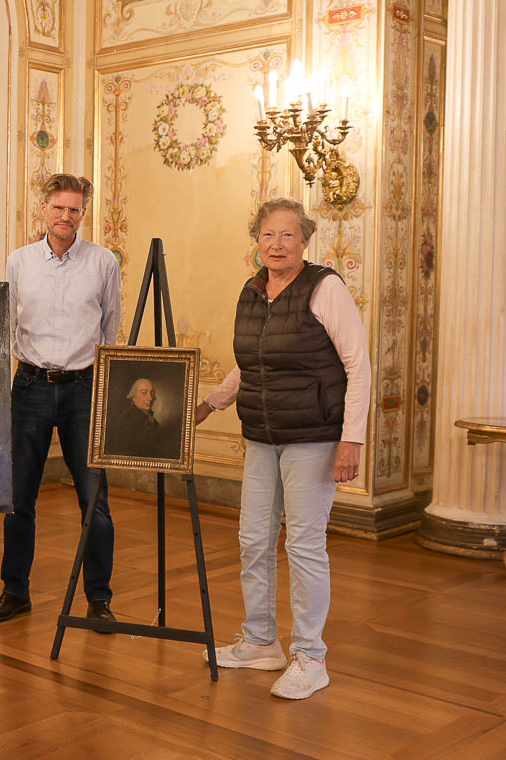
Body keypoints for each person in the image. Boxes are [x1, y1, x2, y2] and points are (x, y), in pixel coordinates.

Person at [195, 197, 371, 700]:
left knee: (304, 545)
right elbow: (250, 362)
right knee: (253, 540)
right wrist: (210, 403)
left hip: (313, 437)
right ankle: (260, 642)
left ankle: (311, 657)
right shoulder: (252, 291)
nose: (277, 244)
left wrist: (351, 439)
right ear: (257, 240)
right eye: (268, 234)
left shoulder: (325, 287)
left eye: (288, 235)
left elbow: (358, 365)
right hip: (262, 436)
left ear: (305, 241)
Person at [0, 172, 122, 625]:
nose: (66, 216)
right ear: (43, 210)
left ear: (83, 213)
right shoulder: (19, 261)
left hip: (84, 389)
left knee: (94, 500)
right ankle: (15, 591)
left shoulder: (103, 263)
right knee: (19, 497)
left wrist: (92, 379)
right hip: (30, 387)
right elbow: (6, 324)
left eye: (74, 209)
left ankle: (99, 599)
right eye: (59, 208)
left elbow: (110, 328)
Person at [105, 377, 162, 458]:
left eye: (151, 393)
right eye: (143, 393)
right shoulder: (127, 422)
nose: (150, 398)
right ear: (133, 396)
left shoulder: (150, 420)